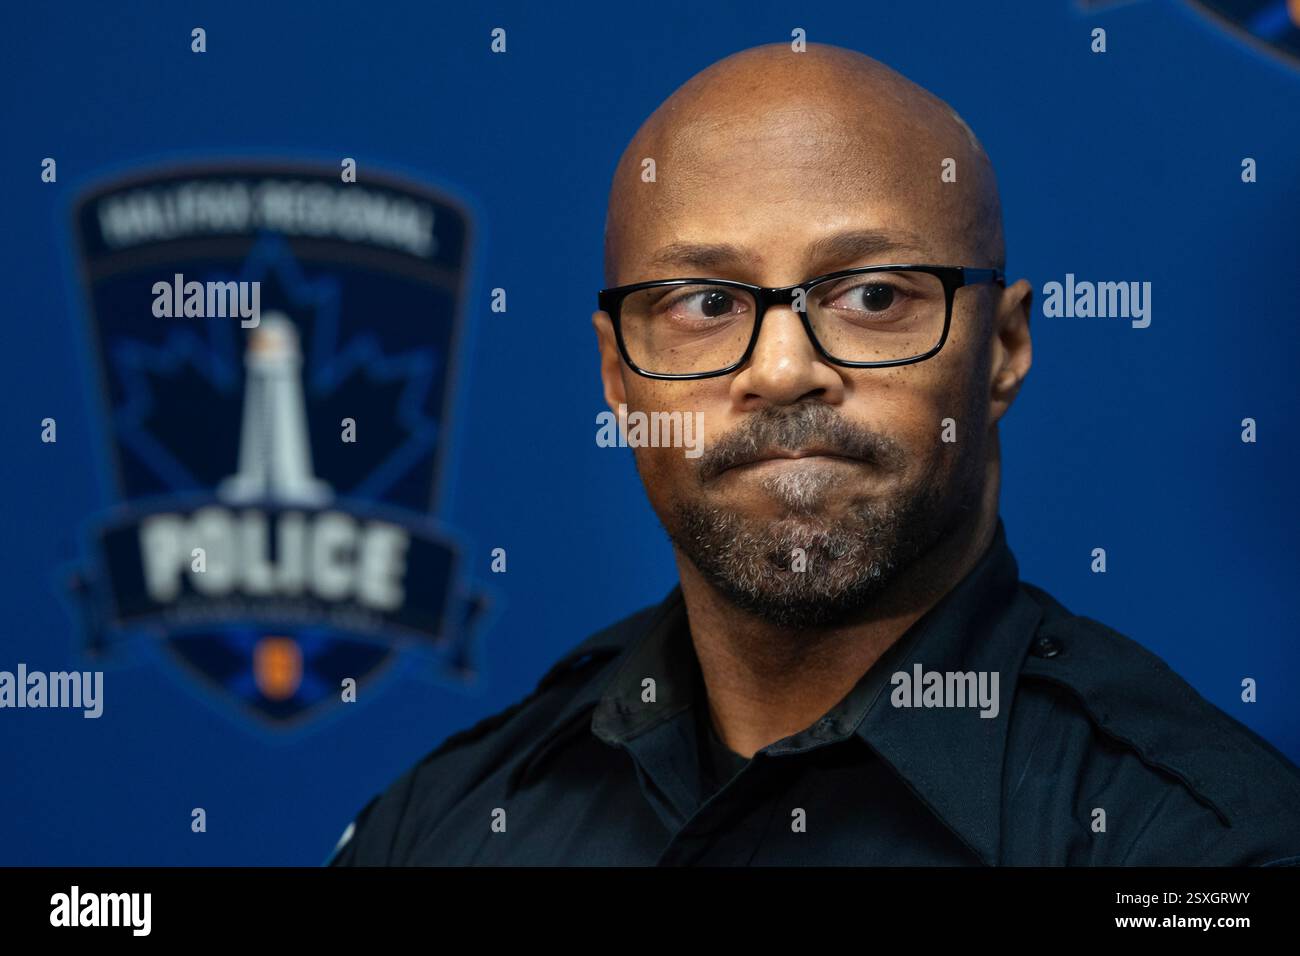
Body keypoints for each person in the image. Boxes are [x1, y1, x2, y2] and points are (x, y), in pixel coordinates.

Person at [330, 42, 1300, 866]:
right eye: (704, 305)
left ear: (1001, 349)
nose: (783, 368)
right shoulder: (441, 828)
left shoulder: (1197, 851)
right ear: (619, 377)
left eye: (873, 295)